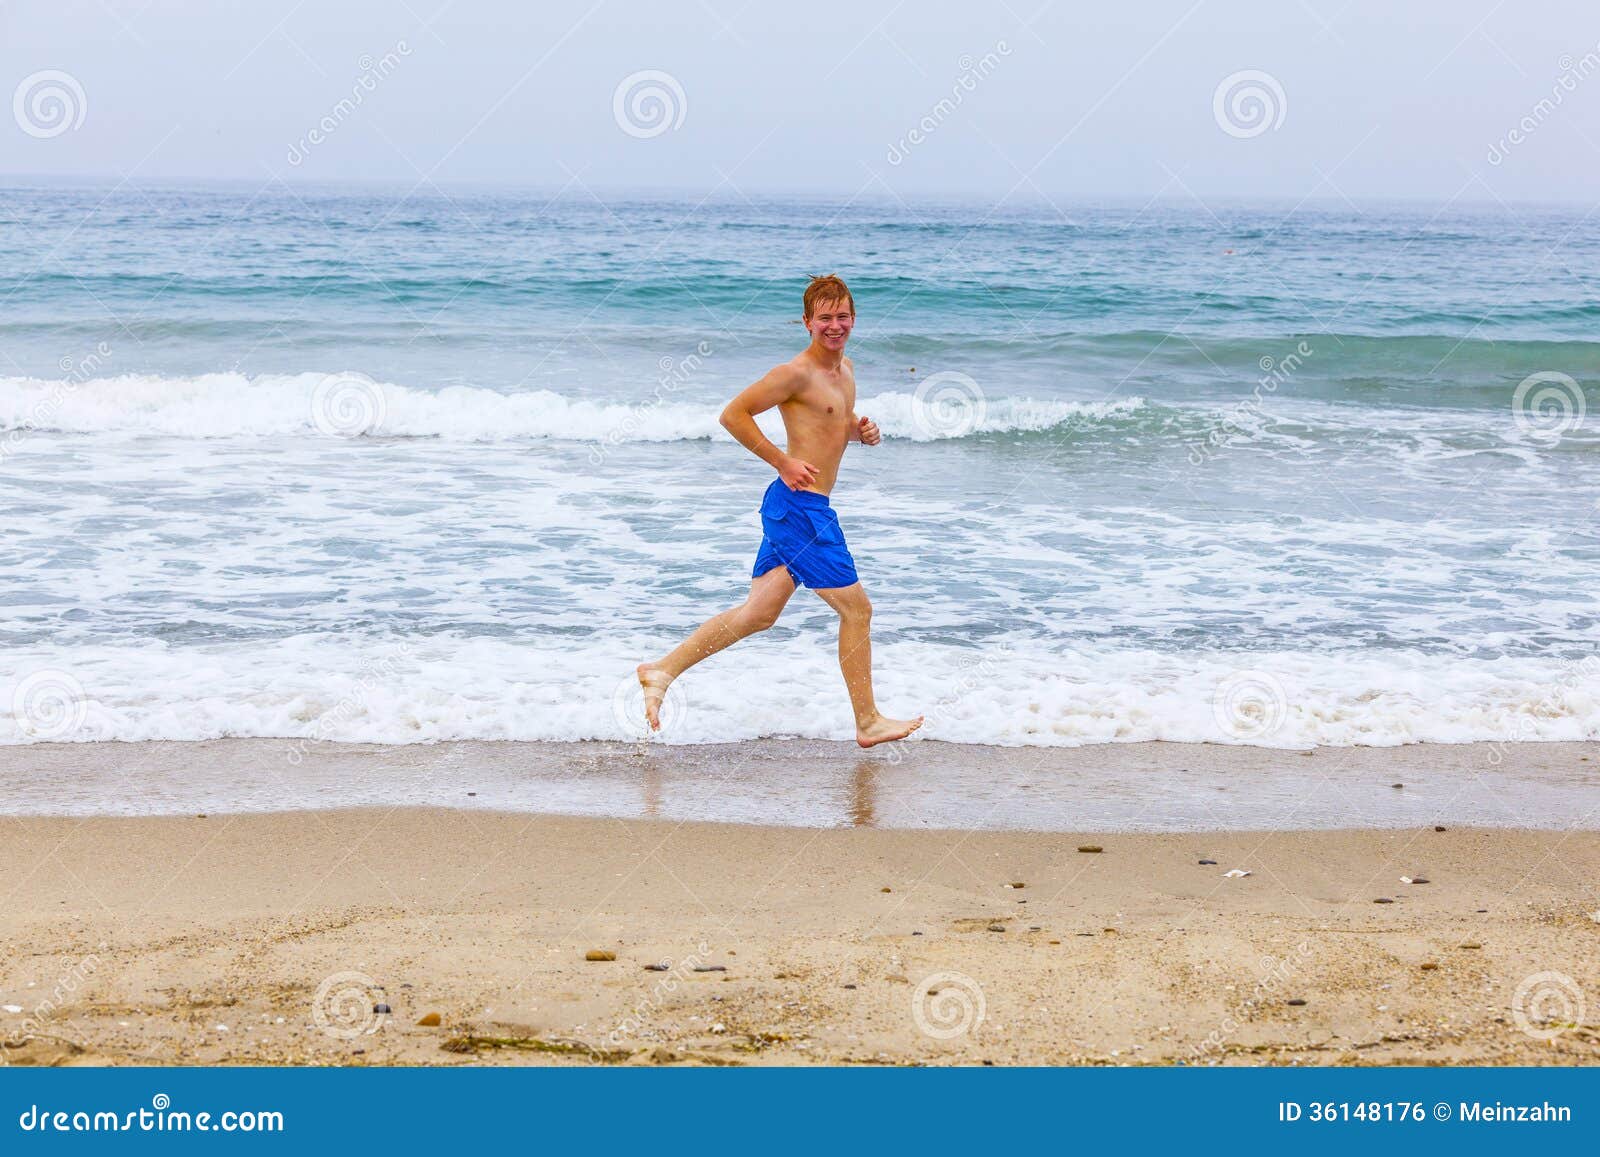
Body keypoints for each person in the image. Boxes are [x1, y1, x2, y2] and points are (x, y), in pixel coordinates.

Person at [636, 275, 923, 749]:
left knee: (759, 613)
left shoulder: (846, 370)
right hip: (799, 509)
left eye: (842, 316)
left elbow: (832, 425)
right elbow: (733, 414)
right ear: (808, 322)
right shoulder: (794, 373)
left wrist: (860, 432)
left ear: (853, 318)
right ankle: (867, 721)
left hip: (800, 506)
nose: (835, 325)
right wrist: (782, 461)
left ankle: (662, 671)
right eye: (825, 317)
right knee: (858, 611)